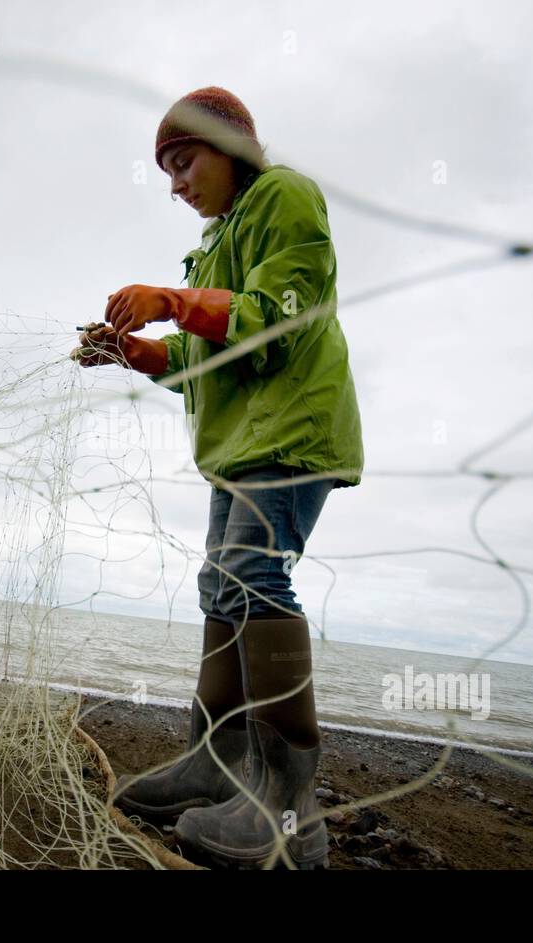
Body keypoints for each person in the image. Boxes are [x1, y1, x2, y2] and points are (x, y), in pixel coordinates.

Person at [71, 86, 364, 869]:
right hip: (239, 447)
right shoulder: (212, 245)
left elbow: (273, 316)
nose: (175, 183)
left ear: (229, 146)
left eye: (184, 159)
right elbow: (205, 361)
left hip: (294, 432)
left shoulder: (284, 196)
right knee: (221, 587)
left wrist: (170, 300)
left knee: (256, 577)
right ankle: (215, 761)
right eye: (166, 169)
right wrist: (136, 353)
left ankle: (290, 808)